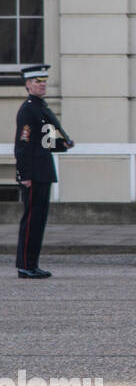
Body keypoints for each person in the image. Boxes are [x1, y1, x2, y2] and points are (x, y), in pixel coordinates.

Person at [14, 63, 72, 279]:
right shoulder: (29, 109)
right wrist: (25, 175)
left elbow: (46, 140)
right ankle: (25, 266)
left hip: (43, 170)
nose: (42, 85)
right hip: (34, 173)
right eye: (38, 82)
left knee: (39, 220)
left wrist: (62, 145)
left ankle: (32, 263)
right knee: (31, 220)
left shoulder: (40, 107)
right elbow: (23, 144)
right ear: (28, 85)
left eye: (44, 82)